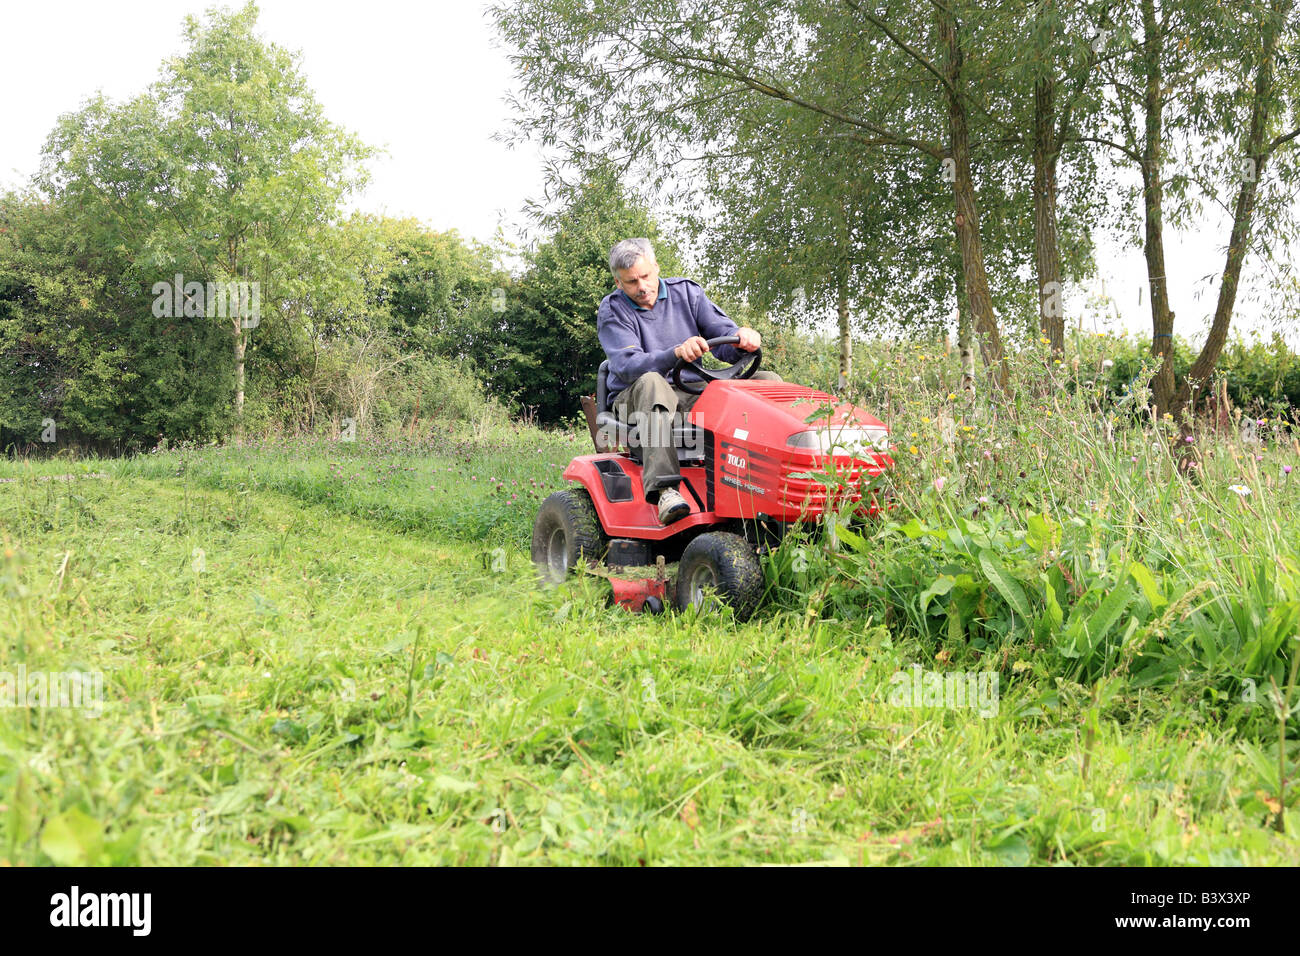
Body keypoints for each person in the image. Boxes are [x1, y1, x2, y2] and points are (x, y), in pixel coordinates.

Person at [597, 238, 782, 525]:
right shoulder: (613, 310)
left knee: (766, 382)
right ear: (618, 283)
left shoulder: (688, 293)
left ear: (656, 267)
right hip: (634, 397)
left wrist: (742, 340)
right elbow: (626, 366)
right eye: (631, 282)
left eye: (645, 276)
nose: (642, 286)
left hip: (691, 391)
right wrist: (674, 354)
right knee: (652, 382)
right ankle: (665, 490)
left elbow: (722, 339)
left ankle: (771, 481)